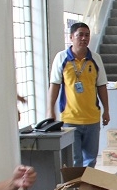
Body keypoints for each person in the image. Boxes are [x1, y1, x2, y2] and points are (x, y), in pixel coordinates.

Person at [47, 22, 110, 167]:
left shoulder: (95, 59)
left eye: (87, 35)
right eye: (80, 35)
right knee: (74, 160)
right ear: (71, 37)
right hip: (70, 119)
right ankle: (75, 189)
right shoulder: (61, 58)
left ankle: (86, 188)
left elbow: (101, 86)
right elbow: (55, 85)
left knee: (90, 160)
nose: (84, 38)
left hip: (92, 118)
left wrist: (106, 110)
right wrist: (50, 110)